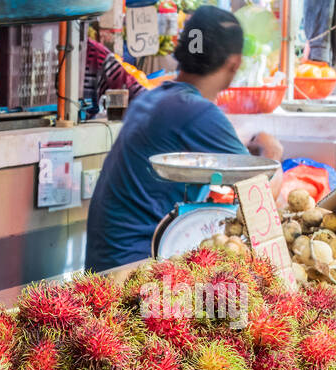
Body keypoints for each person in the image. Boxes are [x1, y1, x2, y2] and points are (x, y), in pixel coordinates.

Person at [85, 6, 284, 273]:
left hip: (103, 263)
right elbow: (259, 193)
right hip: (134, 268)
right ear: (234, 64)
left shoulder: (154, 97)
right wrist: (273, 154)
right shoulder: (197, 111)